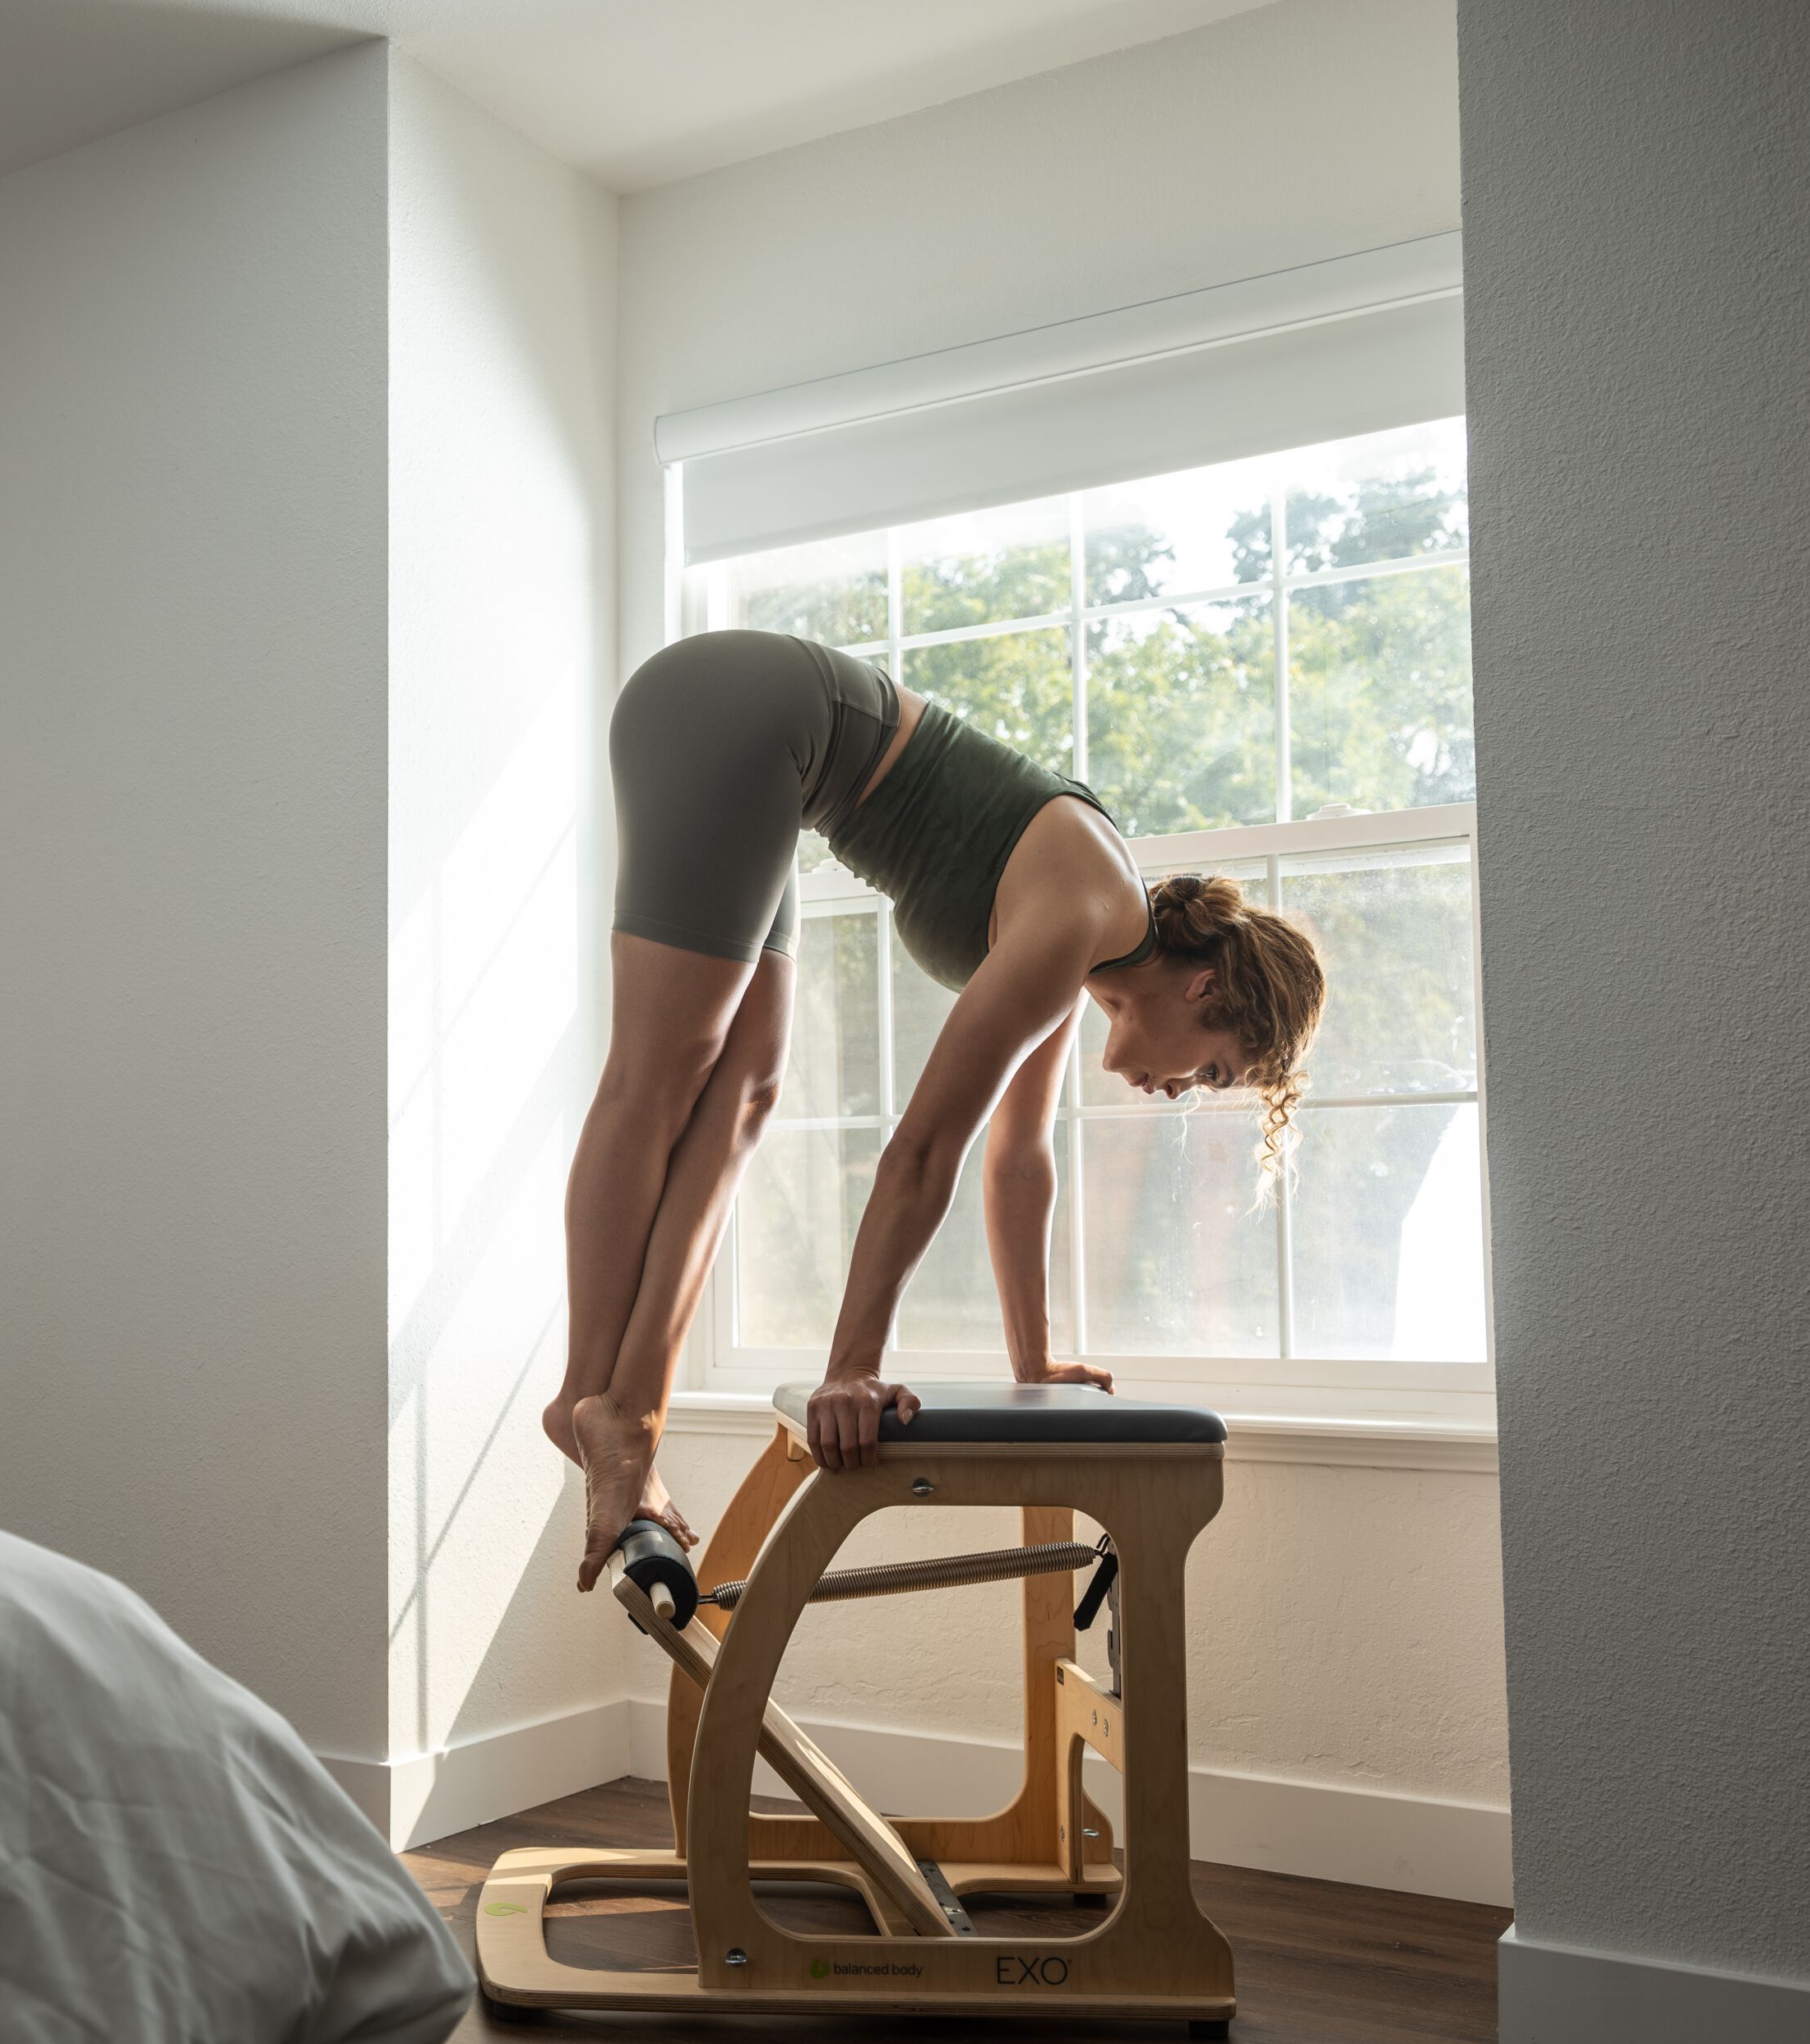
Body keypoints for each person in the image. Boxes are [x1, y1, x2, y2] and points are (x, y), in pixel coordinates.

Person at [546, 629, 1326, 1588]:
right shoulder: (1089, 912)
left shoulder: (1088, 953)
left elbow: (1018, 1160)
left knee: (745, 1093)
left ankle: (628, 1411)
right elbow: (922, 1151)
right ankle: (593, 1398)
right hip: (741, 707)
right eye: (1211, 1074)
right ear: (1208, 992)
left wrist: (1035, 1360)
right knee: (666, 1066)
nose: (1177, 1097)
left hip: (777, 763)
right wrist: (852, 1370)